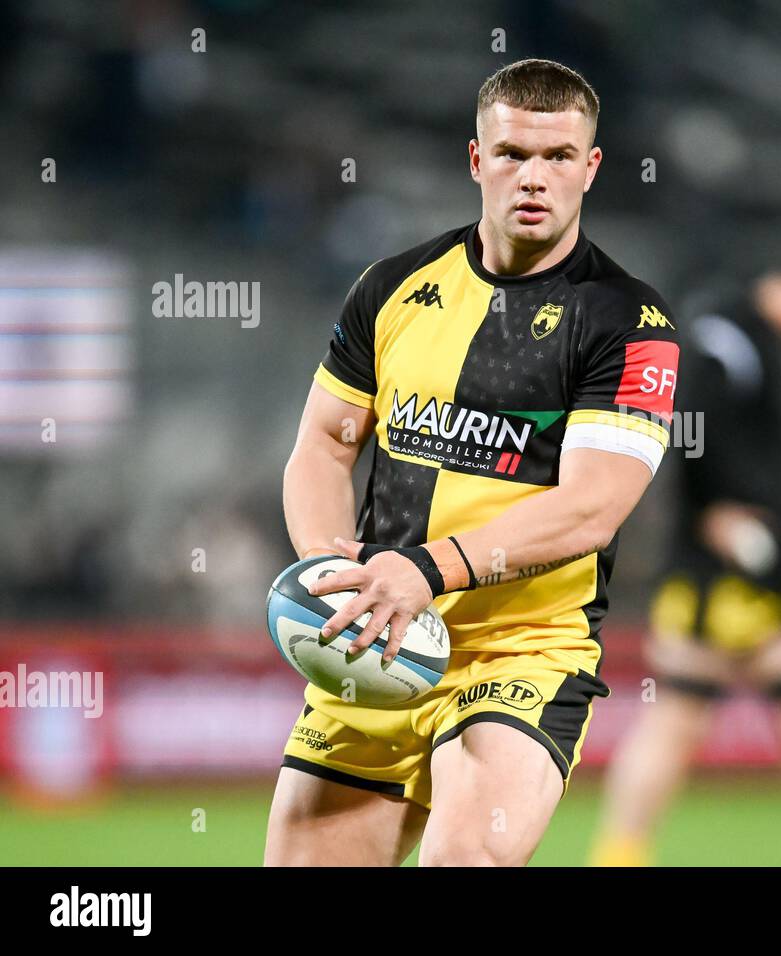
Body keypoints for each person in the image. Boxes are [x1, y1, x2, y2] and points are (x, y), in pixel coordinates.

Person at [264, 58, 680, 867]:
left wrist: (426, 568)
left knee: (466, 860)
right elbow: (323, 444)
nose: (534, 177)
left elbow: (593, 506)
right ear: (475, 160)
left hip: (523, 650)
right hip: (376, 638)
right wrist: (328, 566)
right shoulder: (391, 287)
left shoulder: (629, 322)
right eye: (513, 153)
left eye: (559, 157)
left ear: (590, 169)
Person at [589, 243, 781, 867]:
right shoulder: (726, 337)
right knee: (681, 726)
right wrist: (713, 509)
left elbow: (774, 470)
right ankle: (618, 856)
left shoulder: (762, 344)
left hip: (774, 574)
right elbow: (684, 419)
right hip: (714, 575)